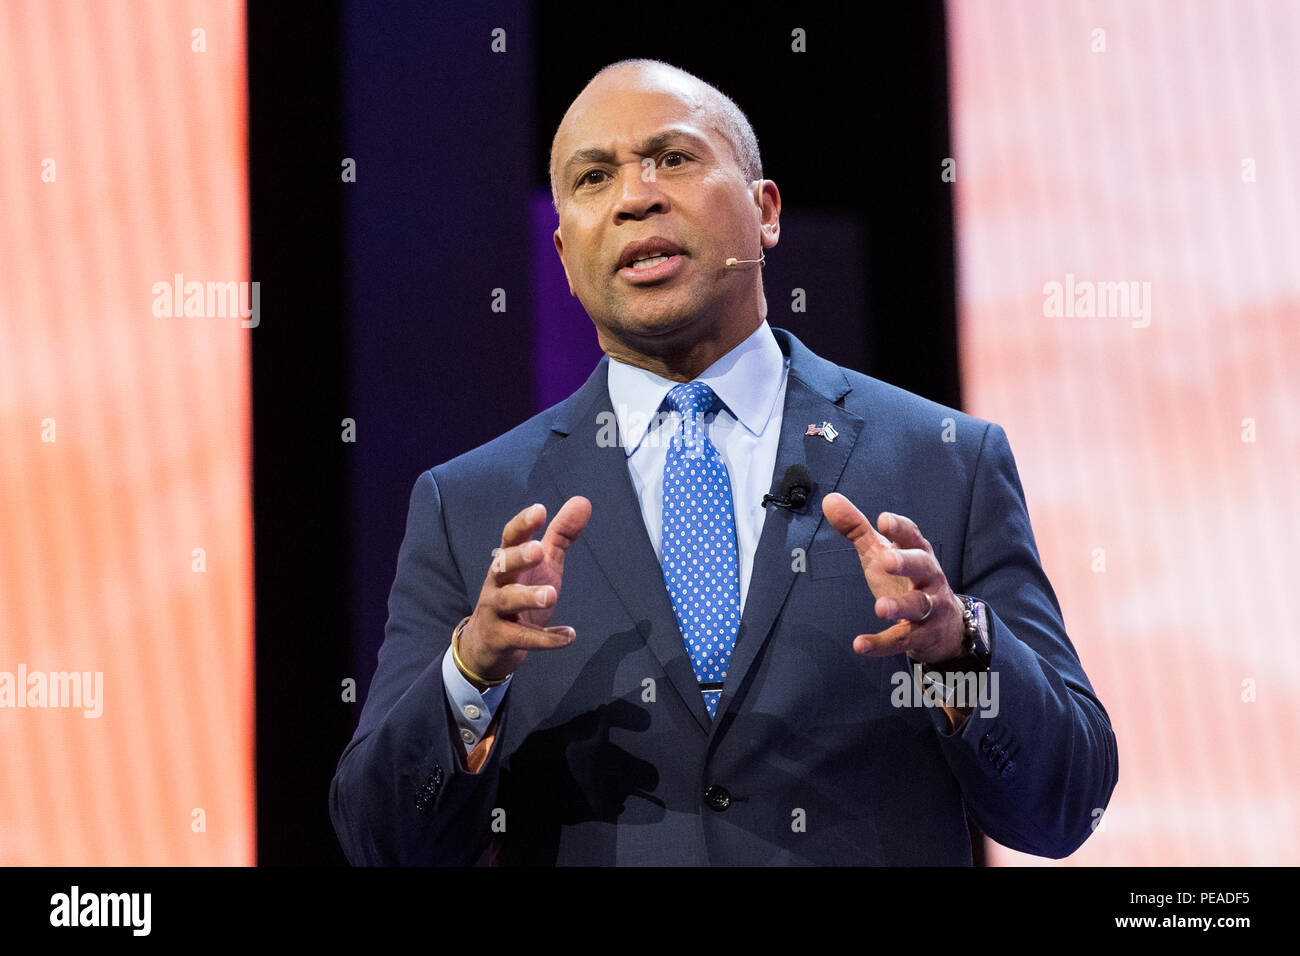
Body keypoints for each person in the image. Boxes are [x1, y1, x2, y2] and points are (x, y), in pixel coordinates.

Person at [329, 58, 1118, 865]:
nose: (637, 197)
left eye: (673, 159)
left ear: (766, 210)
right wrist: (472, 673)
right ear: (565, 255)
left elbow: (1064, 805)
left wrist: (960, 651)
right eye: (595, 177)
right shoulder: (468, 505)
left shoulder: (945, 460)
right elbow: (382, 840)